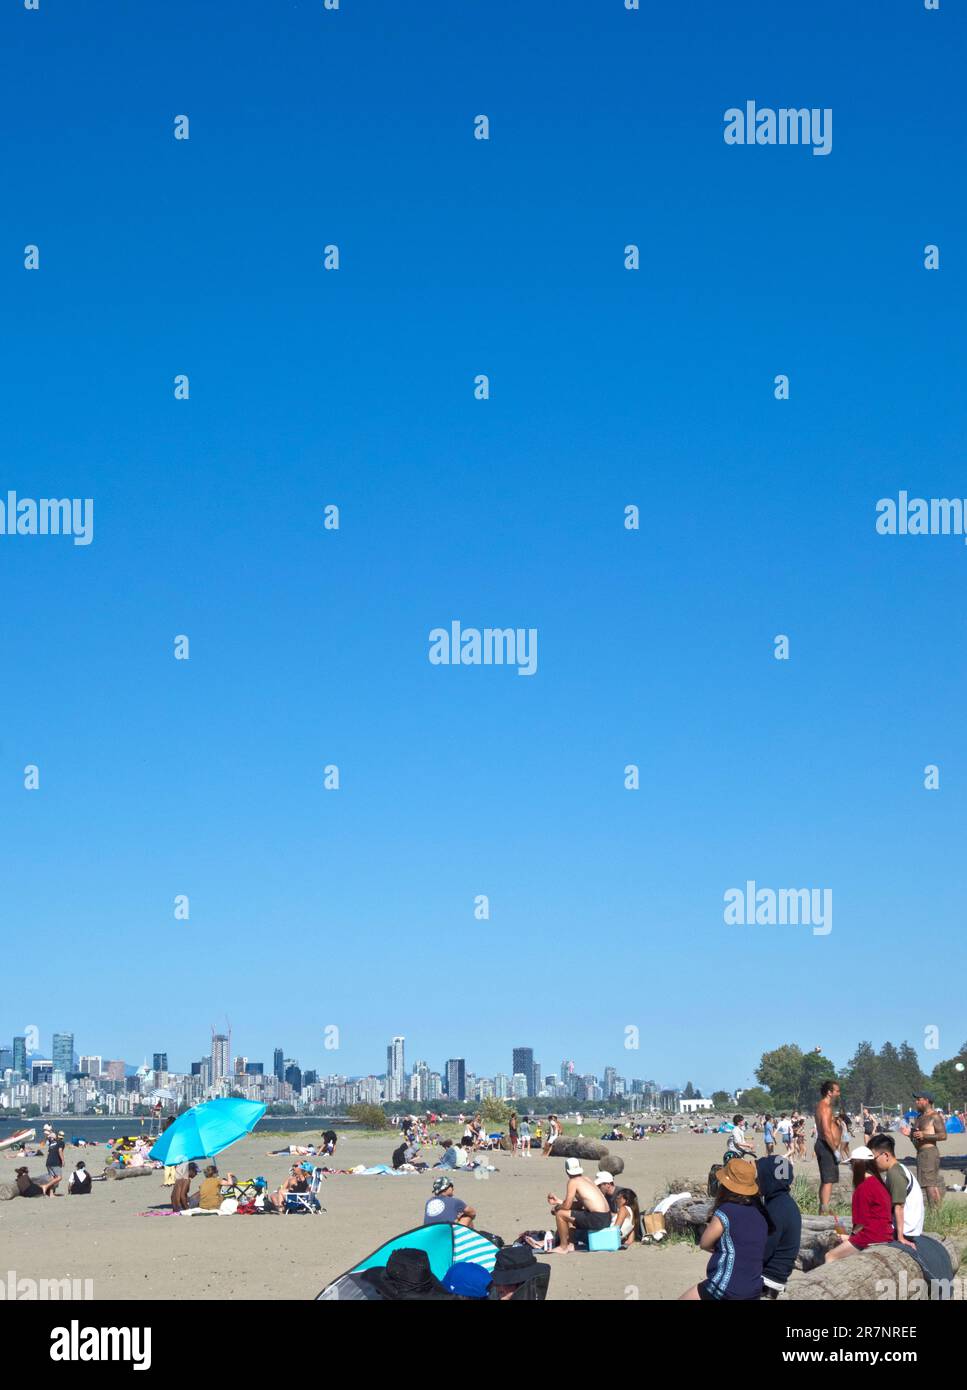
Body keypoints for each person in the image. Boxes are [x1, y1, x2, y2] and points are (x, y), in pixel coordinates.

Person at [679, 1157, 767, 1301]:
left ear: (725, 1185)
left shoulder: (726, 1211)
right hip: (754, 1288)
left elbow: (705, 1243)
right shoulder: (760, 1214)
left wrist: (722, 1248)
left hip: (726, 1285)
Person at [824, 1145, 895, 1263]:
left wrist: (849, 1238)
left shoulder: (863, 1188)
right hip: (886, 1234)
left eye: (851, 1165)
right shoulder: (878, 1183)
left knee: (830, 1256)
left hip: (871, 1236)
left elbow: (861, 1223)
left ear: (857, 1165)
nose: (851, 1168)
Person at [756, 1155, 801, 1298]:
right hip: (777, 1278)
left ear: (768, 1179)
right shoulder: (785, 1202)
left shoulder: (775, 1209)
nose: (756, 1180)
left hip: (768, 1280)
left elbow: (764, 1250)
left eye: (759, 1176)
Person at [546, 1158, 612, 1253]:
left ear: (566, 1171)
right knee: (571, 1214)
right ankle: (571, 1244)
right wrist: (559, 1202)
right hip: (606, 1217)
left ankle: (563, 1247)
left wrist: (557, 1208)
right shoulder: (586, 1179)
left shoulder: (573, 1181)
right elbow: (579, 1205)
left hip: (597, 1218)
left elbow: (567, 1206)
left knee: (560, 1214)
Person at [869, 1133, 922, 1242]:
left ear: (886, 1155)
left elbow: (899, 1207)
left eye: (874, 1159)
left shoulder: (895, 1173)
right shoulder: (897, 1168)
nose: (872, 1164)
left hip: (906, 1230)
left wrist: (900, 1237)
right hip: (907, 1227)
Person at [901, 1092, 947, 1207]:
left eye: (919, 1099)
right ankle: (935, 1213)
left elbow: (943, 1136)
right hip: (921, 1153)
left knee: (929, 1184)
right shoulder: (920, 1117)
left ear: (926, 1100)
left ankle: (935, 1213)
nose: (916, 1102)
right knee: (928, 1184)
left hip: (930, 1153)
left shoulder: (934, 1116)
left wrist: (925, 1136)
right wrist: (909, 1134)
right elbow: (917, 1137)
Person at [813, 1080, 842, 1212]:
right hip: (826, 1146)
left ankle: (822, 1208)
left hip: (823, 1145)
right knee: (828, 1180)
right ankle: (824, 1210)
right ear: (829, 1092)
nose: (838, 1093)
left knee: (826, 1180)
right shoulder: (825, 1107)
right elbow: (826, 1131)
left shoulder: (822, 1106)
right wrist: (835, 1150)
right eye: (836, 1091)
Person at [44, 1130, 65, 1196]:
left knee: (52, 1179)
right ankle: (45, 1186)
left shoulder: (52, 1143)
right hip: (55, 1162)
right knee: (59, 1177)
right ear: (63, 1137)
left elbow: (48, 1153)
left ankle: (51, 1194)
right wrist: (63, 1160)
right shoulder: (61, 1142)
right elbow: (60, 1150)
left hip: (48, 1162)